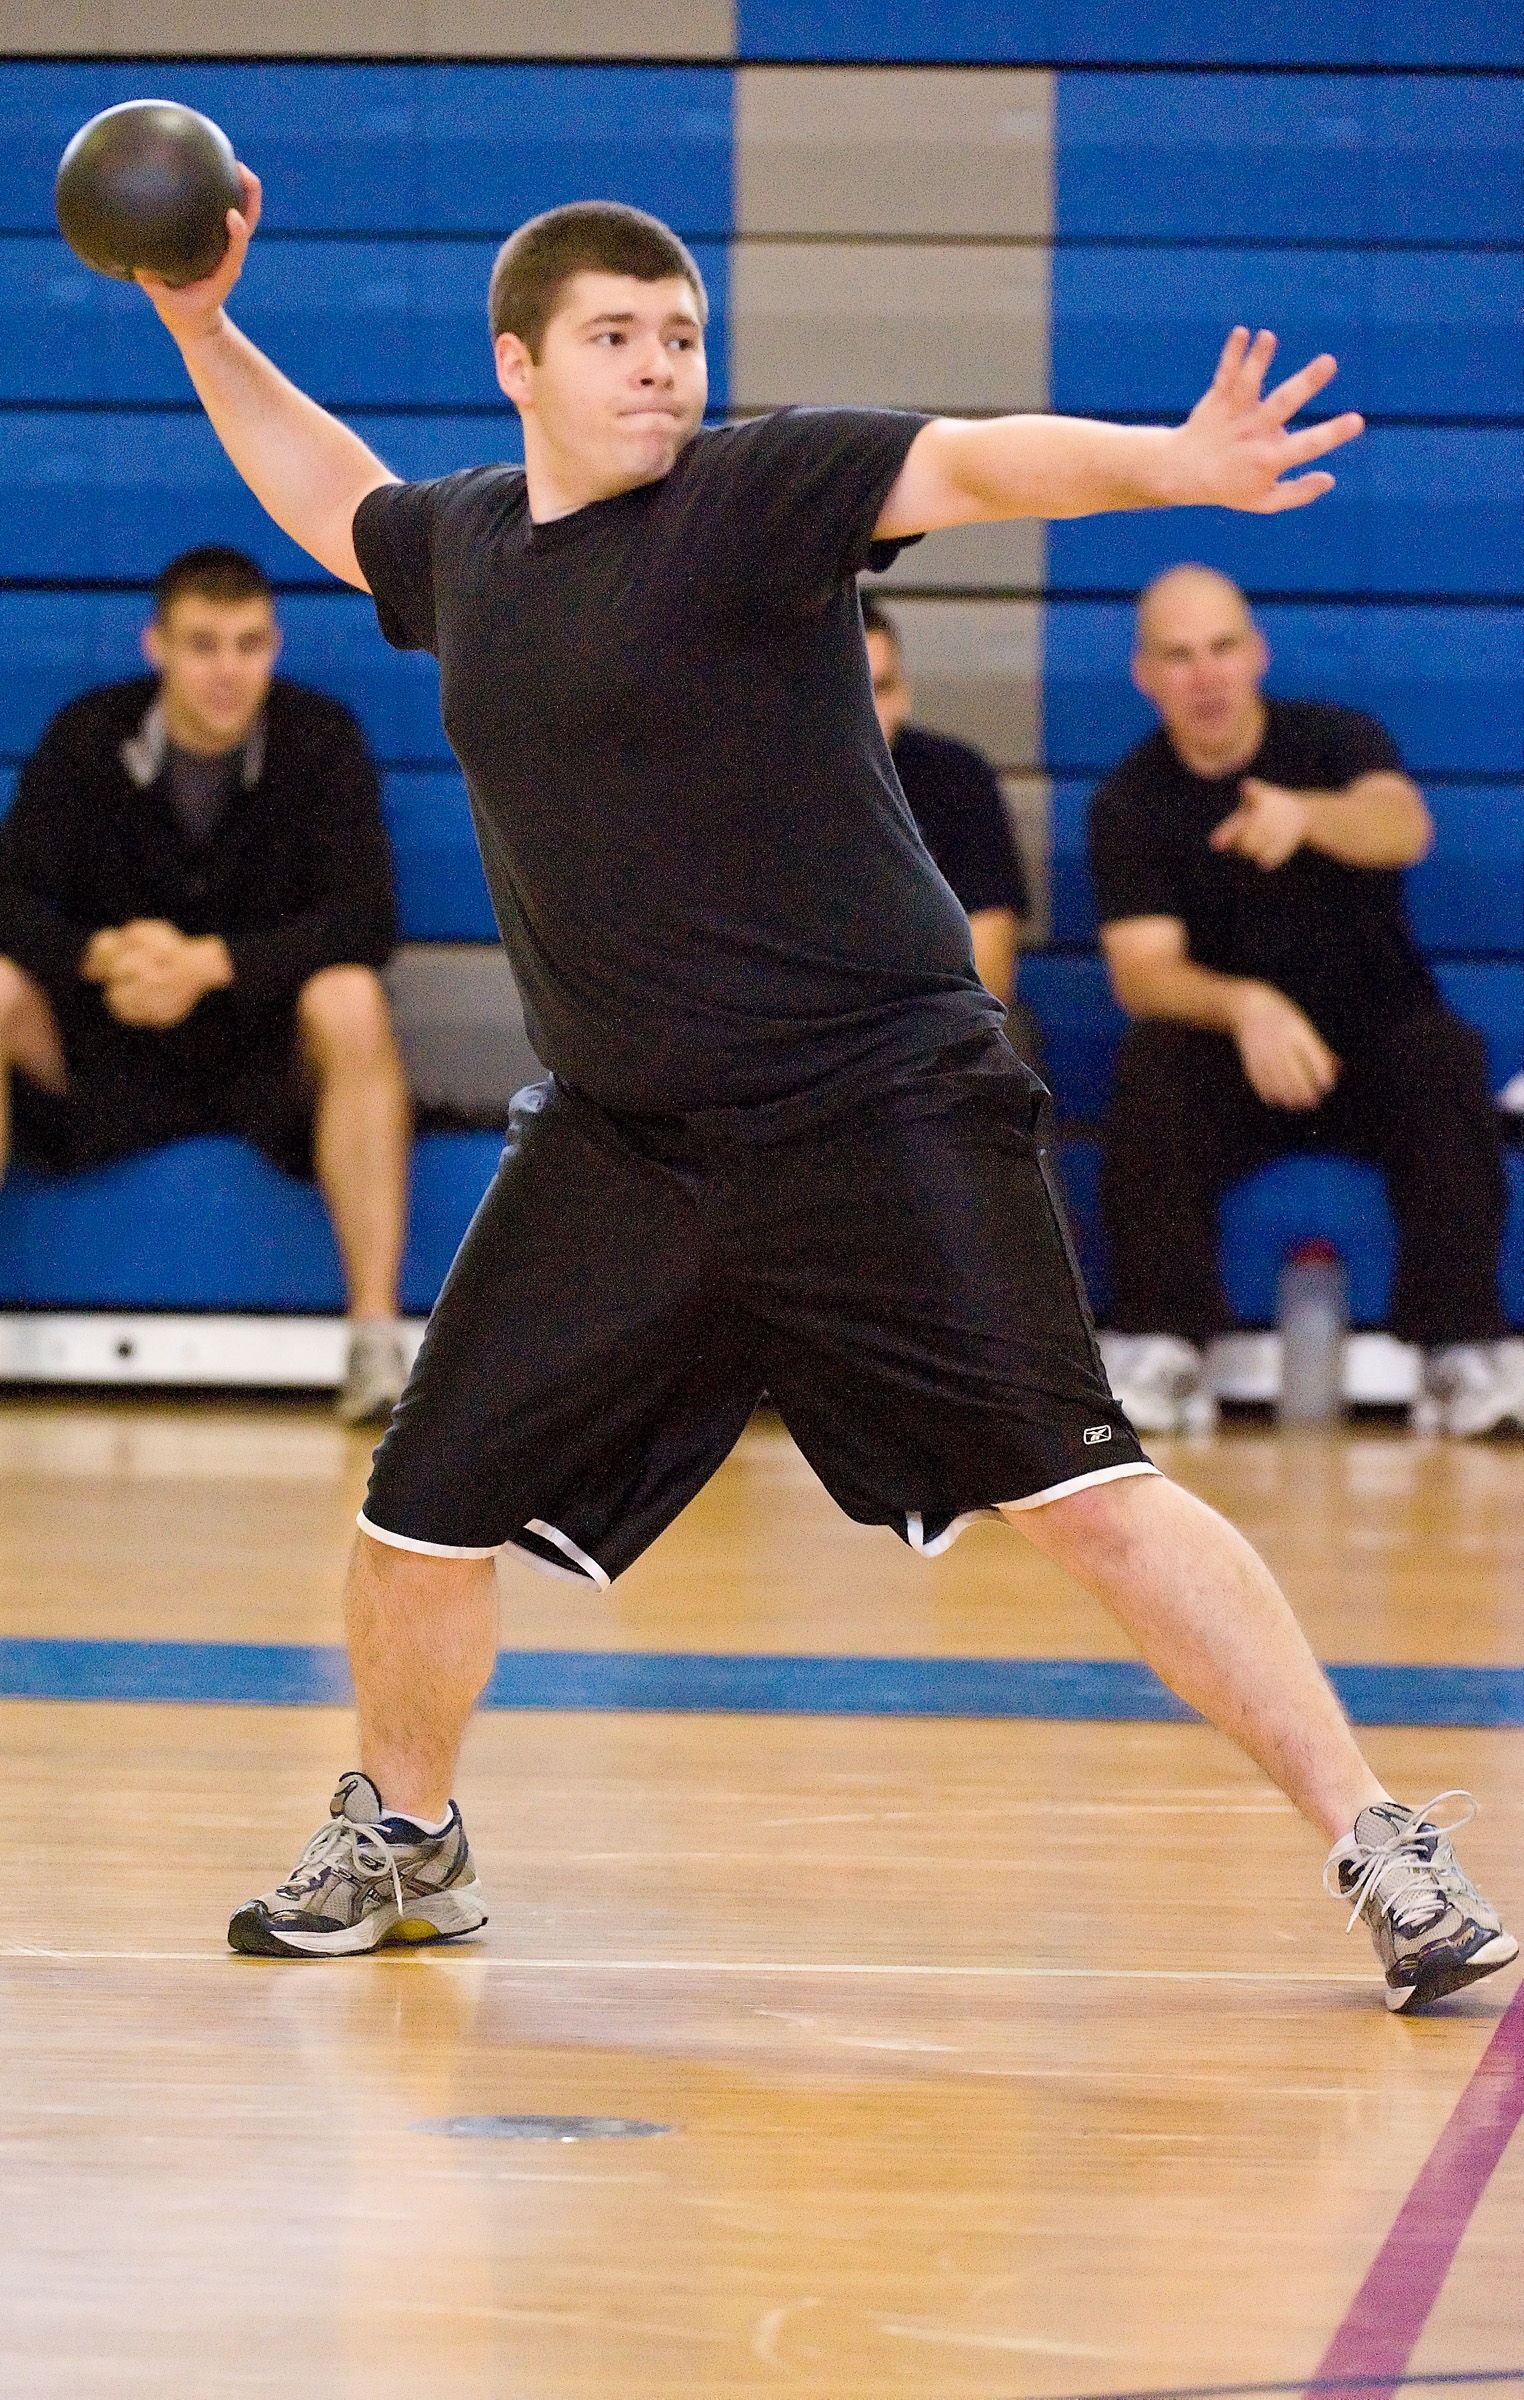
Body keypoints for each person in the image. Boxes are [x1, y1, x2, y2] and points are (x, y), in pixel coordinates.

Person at [131, 178, 1512, 2012]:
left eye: (680, 336)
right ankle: (404, 1834)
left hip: (880, 1106)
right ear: (518, 366)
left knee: (1084, 1492)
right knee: (415, 1515)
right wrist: (197, 322)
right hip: (628, 1141)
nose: (659, 370)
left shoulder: (754, 496)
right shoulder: (462, 548)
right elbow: (324, 495)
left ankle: (1373, 1844)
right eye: (615, 339)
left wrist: (1172, 463)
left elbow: (975, 458)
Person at [1089, 564, 1521, 1441]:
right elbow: (1142, 972)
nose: (1205, 676)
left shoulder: (1335, 741)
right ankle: (1164, 1340)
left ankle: (1463, 1350)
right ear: (1144, 676)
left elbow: (1403, 826)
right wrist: (1248, 1006)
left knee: (1447, 1058)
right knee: (1150, 1065)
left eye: (1222, 648)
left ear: (1258, 653)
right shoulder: (1129, 803)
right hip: (1230, 1065)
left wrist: (1307, 817)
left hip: (1376, 1040)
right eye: (1178, 657)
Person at [0, 546, 413, 1424]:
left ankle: (376, 1339)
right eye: (203, 645)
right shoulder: (87, 737)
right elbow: (9, 902)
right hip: (108, 1053)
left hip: (262, 1059)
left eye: (249, 644)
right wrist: (105, 955)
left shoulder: (320, 739)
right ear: (157, 647)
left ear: (276, 645)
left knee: (350, 998)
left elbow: (366, 922)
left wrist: (210, 963)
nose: (228, 670)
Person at [860, 594, 1041, 1066]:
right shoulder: (765, 789)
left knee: (1001, 1041)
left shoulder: (956, 777)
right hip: (801, 1042)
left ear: (904, 693)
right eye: (846, 691)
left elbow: (990, 970)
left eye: (879, 689)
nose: (864, 714)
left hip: (927, 1033)